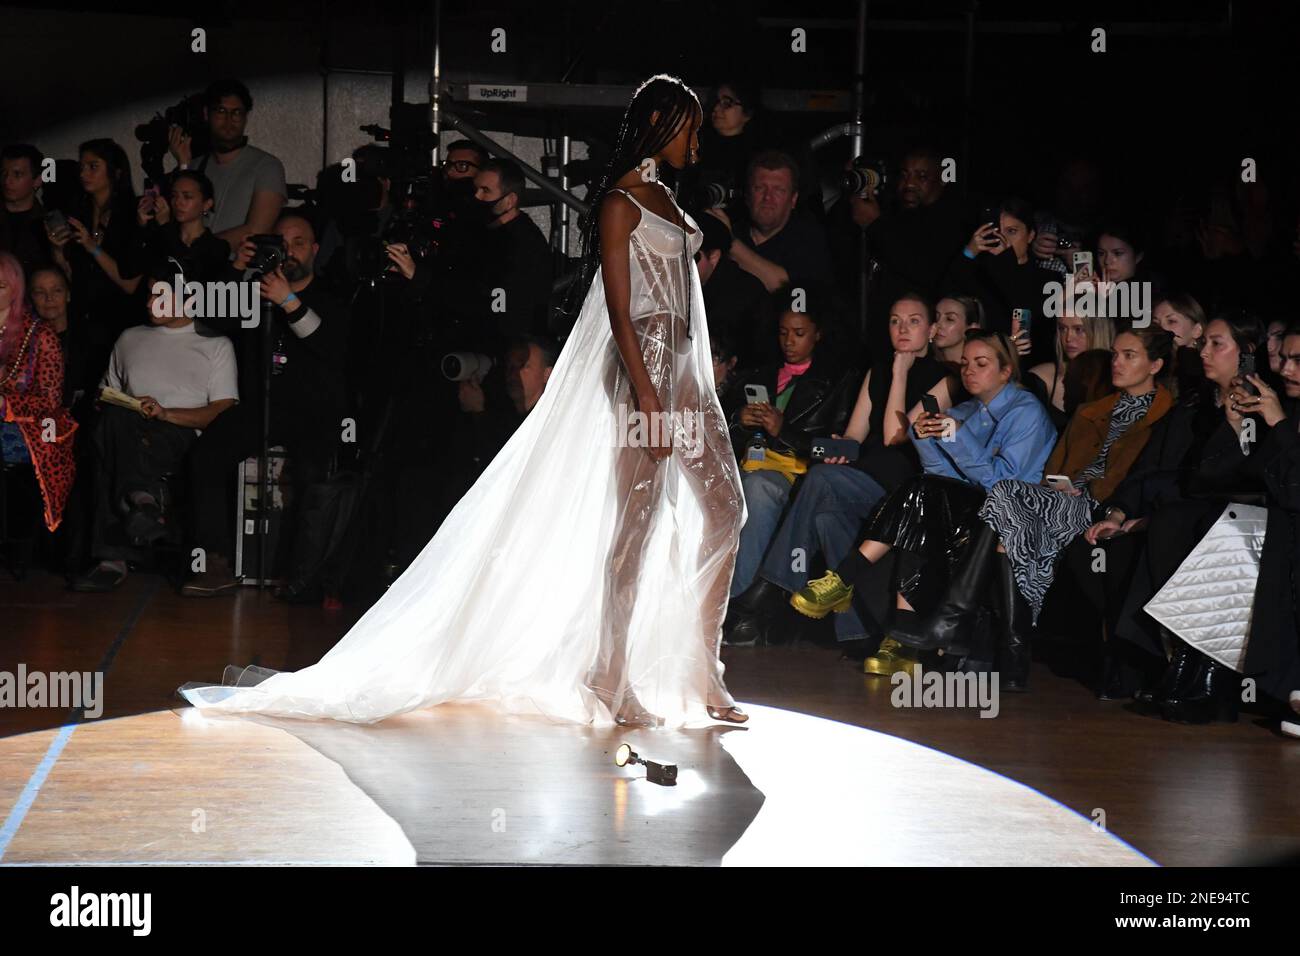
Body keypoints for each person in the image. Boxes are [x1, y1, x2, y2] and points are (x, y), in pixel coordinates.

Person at [180, 73, 749, 728]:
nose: (698, 139)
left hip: (685, 371)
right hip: (643, 371)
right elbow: (620, 309)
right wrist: (647, 396)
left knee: (725, 509)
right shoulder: (623, 202)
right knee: (638, 524)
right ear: (662, 126)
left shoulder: (668, 199)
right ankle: (613, 673)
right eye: (689, 126)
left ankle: (703, 665)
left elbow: (683, 285)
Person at [792, 330, 1056, 680]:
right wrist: (924, 436)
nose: (969, 372)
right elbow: (939, 473)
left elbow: (1003, 484)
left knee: (921, 499)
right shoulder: (964, 410)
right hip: (959, 509)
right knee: (922, 500)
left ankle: (847, 580)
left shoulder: (1026, 413)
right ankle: (899, 638)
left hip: (1006, 517)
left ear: (1006, 371)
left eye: (981, 364)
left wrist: (956, 436)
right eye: (964, 364)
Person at [722, 286, 857, 598]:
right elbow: (721, 434)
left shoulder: (837, 382)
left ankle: (735, 600)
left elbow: (839, 448)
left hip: (794, 475)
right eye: (783, 332)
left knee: (758, 488)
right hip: (747, 465)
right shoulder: (757, 376)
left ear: (818, 334)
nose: (789, 341)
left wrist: (784, 431)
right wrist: (738, 420)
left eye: (799, 333)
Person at [0, 252, 77, 533]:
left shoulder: (40, 335)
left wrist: (4, 403)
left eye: (0, 286)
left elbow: (49, 403)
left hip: (36, 430)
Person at [169, 78, 287, 246]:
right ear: (206, 114)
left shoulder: (267, 166)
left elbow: (256, 230)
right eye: (221, 111)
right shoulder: (194, 166)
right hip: (197, 270)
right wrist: (183, 165)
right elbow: (179, 223)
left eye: (237, 112)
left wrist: (198, 249)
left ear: (246, 117)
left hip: (236, 270)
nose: (229, 120)